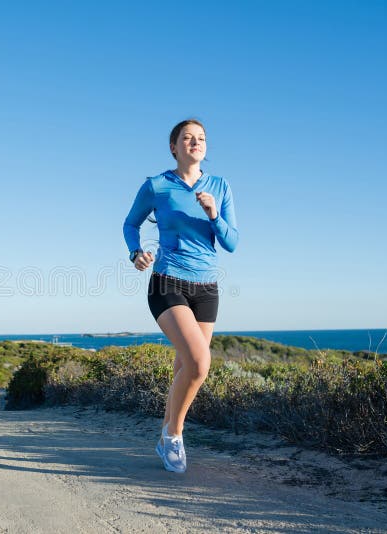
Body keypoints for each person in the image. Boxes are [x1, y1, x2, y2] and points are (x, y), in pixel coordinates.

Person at [122, 118, 239, 473]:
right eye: (187, 138)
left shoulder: (219, 186)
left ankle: (164, 434)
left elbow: (231, 242)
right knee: (200, 364)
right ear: (174, 147)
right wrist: (135, 252)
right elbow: (130, 223)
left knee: (185, 365)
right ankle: (173, 435)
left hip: (207, 288)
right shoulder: (157, 186)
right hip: (167, 281)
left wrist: (214, 215)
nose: (195, 142)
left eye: (201, 138)